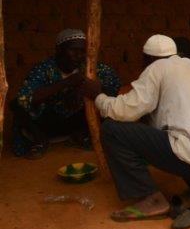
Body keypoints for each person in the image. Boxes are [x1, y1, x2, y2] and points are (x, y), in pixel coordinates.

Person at [80, 34, 190, 229]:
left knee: (112, 130)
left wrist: (98, 96)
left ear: (149, 59)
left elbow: (125, 110)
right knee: (180, 131)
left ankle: (151, 199)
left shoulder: (156, 68)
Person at [10, 29, 119, 158]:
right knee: (16, 104)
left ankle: (81, 136)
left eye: (82, 51)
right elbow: (23, 99)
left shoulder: (91, 68)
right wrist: (67, 82)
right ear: (59, 50)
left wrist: (90, 89)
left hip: (76, 121)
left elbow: (115, 87)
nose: (79, 55)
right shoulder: (44, 69)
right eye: (73, 50)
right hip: (49, 123)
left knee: (105, 101)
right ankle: (40, 140)